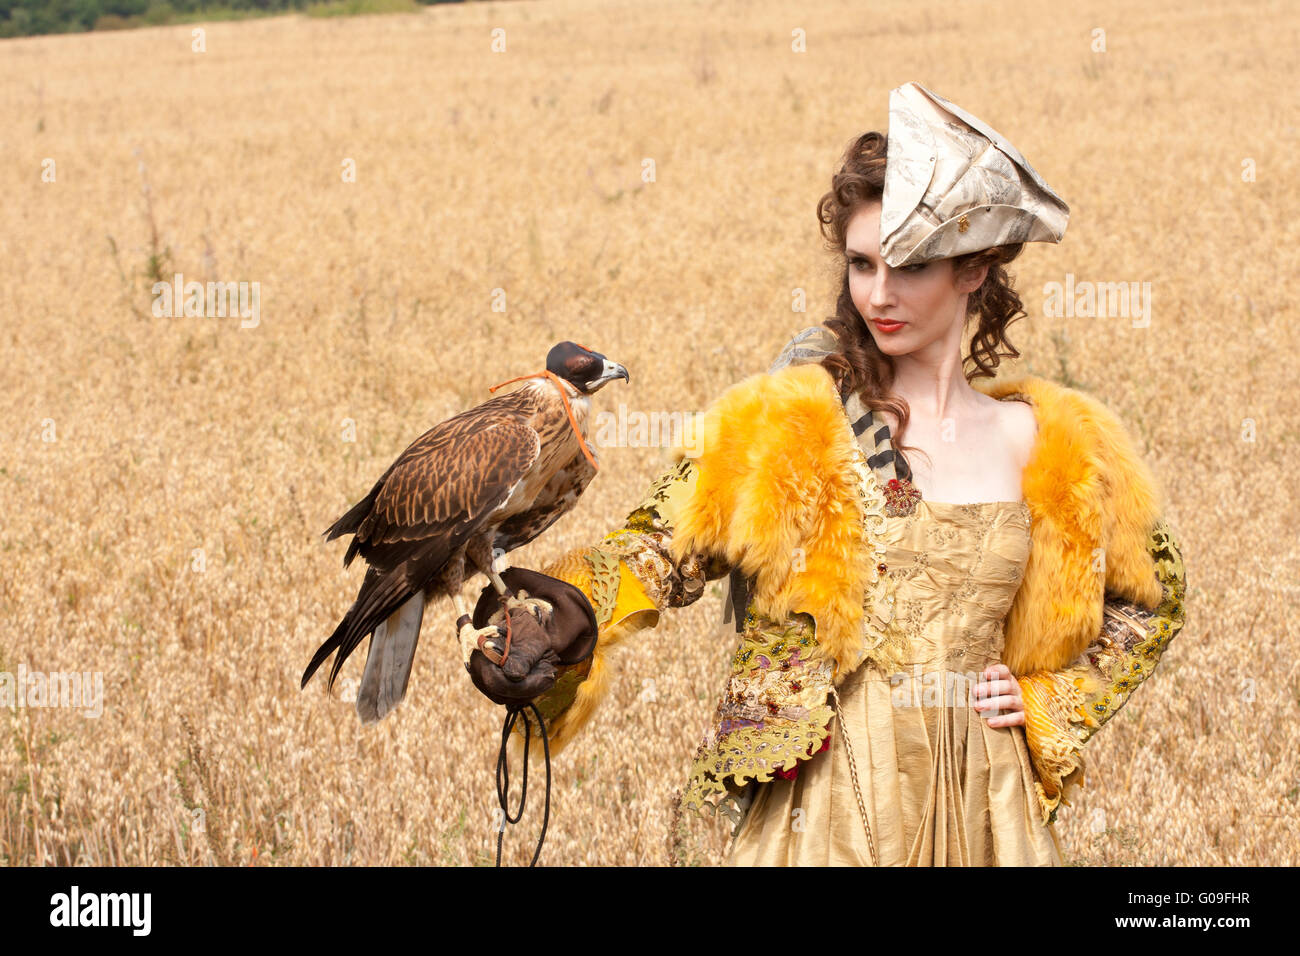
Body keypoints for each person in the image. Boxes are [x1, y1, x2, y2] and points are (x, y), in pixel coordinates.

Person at [469, 82, 1188, 866]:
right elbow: (656, 550)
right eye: (860, 263)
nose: (879, 294)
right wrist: (571, 616)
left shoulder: (1055, 445)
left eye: (910, 265)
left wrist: (1052, 702)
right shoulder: (792, 422)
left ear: (976, 268)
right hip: (824, 810)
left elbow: (1151, 600)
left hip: (989, 809)